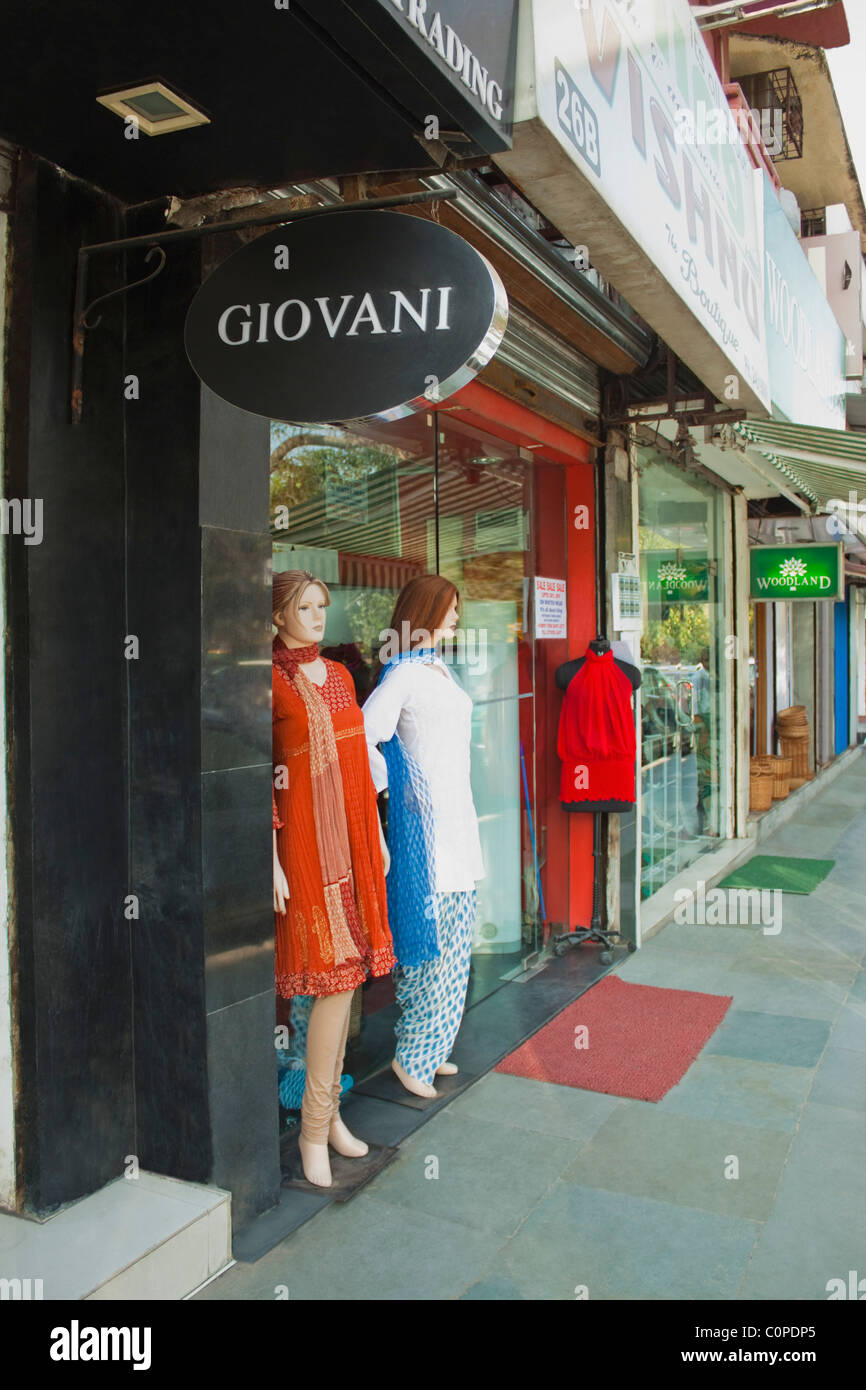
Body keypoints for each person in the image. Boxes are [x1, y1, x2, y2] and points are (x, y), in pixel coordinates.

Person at [272, 569, 395, 1187]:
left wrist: (376, 834)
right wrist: (267, 856)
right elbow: (253, 770)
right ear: (276, 616)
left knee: (347, 982)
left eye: (322, 605)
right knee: (335, 980)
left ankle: (329, 1116)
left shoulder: (342, 677)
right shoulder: (269, 681)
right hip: (302, 848)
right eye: (304, 607)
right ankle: (312, 1130)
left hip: (352, 841)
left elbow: (356, 762)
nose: (318, 616)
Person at [361, 575, 485, 1099]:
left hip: (459, 822)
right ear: (428, 611)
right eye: (450, 609)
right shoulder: (405, 674)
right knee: (430, 946)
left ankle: (431, 1047)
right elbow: (364, 737)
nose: (456, 617)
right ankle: (413, 1056)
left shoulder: (439, 669)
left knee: (456, 943)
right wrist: (397, 786)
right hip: (427, 832)